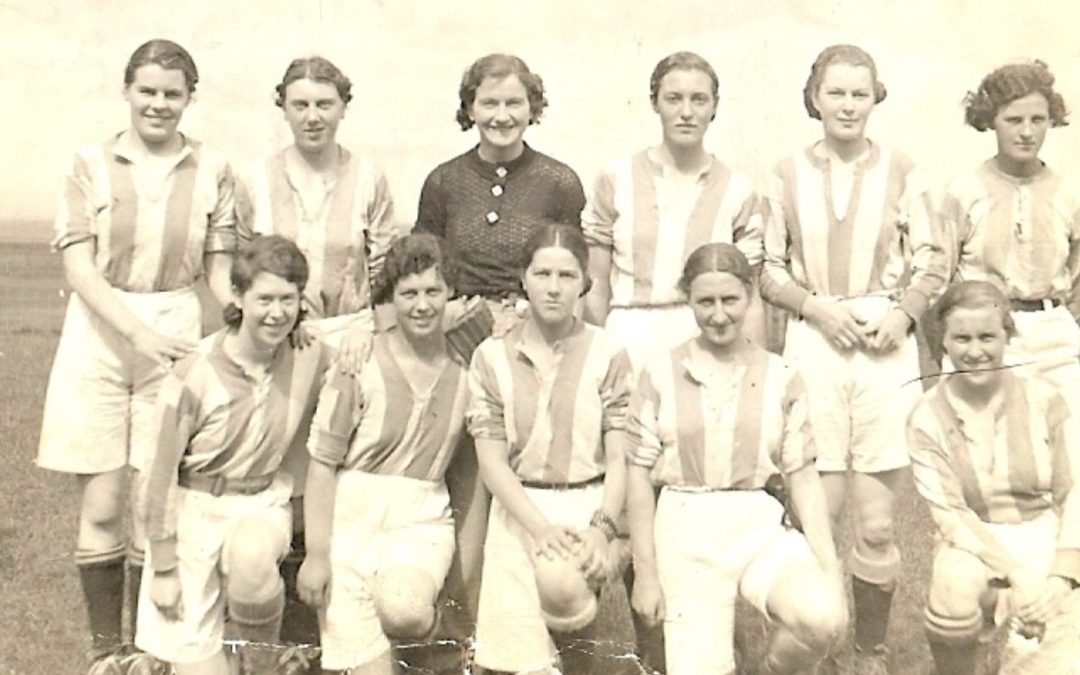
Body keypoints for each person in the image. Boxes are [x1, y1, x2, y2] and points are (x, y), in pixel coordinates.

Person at [34, 39, 235, 675]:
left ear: (189, 99)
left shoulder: (214, 170)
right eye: (148, 90)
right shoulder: (89, 162)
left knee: (159, 503)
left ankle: (153, 650)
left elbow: (220, 273)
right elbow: (80, 270)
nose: (159, 104)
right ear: (127, 91)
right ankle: (105, 651)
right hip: (97, 333)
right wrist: (136, 334)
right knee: (102, 504)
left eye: (172, 93)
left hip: (175, 329)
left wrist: (251, 316)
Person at [760, 44, 947, 672]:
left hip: (884, 347)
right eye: (835, 92)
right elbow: (765, 266)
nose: (847, 105)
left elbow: (932, 260)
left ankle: (868, 652)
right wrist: (815, 308)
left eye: (859, 93)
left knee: (875, 524)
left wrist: (901, 316)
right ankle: (815, 644)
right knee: (817, 516)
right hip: (815, 340)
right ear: (814, 97)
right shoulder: (783, 173)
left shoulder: (904, 170)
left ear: (876, 98)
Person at [411, 53, 587, 672]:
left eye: (515, 103)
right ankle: (459, 636)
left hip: (531, 341)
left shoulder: (559, 181)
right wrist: (457, 312)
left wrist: (527, 317)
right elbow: (422, 263)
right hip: (459, 343)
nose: (502, 115)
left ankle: (545, 636)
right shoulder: (442, 181)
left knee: (524, 472)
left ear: (532, 108)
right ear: (469, 109)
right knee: (464, 487)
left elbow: (571, 270)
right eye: (489, 103)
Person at [234, 55, 398, 647]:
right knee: (283, 475)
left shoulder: (370, 177)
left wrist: (368, 329)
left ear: (343, 107)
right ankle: (284, 636)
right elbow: (241, 267)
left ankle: (331, 629)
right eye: (300, 104)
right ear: (282, 106)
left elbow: (383, 269)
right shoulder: (252, 178)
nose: (312, 116)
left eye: (324, 104)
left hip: (349, 339)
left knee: (335, 474)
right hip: (280, 336)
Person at [626, 243, 846, 674]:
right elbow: (636, 477)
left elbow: (802, 478)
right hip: (685, 528)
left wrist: (830, 571)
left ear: (750, 296)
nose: (719, 314)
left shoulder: (782, 375)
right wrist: (646, 573)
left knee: (823, 617)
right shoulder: (660, 372)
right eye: (705, 302)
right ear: (687, 299)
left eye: (730, 300)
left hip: (756, 525)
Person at [135, 235, 327, 675]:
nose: (277, 313)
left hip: (259, 504)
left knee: (253, 554)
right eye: (265, 299)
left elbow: (372, 341)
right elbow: (158, 476)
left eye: (288, 299)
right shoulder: (194, 372)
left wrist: (354, 345)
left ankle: (261, 665)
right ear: (238, 297)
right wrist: (163, 567)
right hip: (192, 515)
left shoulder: (308, 354)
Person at [296, 233, 470, 674]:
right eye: (408, 294)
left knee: (405, 608)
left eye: (434, 291)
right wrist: (317, 554)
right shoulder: (360, 363)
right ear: (390, 300)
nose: (422, 305)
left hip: (420, 520)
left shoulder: (468, 369)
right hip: (350, 523)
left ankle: (435, 653)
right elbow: (321, 464)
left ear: (452, 293)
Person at [467, 224, 632, 674]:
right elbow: (492, 463)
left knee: (565, 600)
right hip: (520, 511)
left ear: (585, 282)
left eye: (567, 276)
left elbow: (619, 456)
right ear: (523, 277)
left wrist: (602, 529)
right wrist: (538, 528)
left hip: (588, 504)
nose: (554, 288)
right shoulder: (490, 356)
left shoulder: (609, 351)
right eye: (542, 274)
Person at [908, 280, 1080, 674]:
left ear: (1007, 336)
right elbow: (951, 514)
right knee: (953, 587)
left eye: (987, 336)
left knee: (1048, 647)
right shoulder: (926, 416)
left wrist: (1062, 575)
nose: (975, 351)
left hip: (1042, 531)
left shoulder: (1046, 399)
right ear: (943, 344)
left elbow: (1075, 495)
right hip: (975, 537)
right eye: (961, 338)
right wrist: (1016, 573)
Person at [583, 50, 765, 370]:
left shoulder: (737, 189)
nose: (686, 112)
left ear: (714, 107)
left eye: (698, 100)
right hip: (630, 333)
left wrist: (754, 372)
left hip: (707, 333)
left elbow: (750, 298)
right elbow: (595, 285)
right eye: (673, 99)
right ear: (655, 103)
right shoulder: (616, 178)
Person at [939, 60, 1080, 399]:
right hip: (983, 337)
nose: (1027, 132)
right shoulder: (964, 191)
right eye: (1014, 120)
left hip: (1054, 339)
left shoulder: (1069, 194)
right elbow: (938, 282)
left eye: (1038, 120)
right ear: (992, 121)